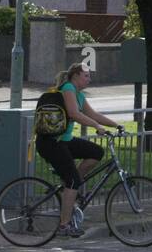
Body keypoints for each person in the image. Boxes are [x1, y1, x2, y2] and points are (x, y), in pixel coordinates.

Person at [35, 63, 124, 238]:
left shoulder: (79, 95)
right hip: (51, 143)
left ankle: (70, 187)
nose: (89, 79)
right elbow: (74, 114)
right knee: (73, 181)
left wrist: (116, 125)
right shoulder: (68, 88)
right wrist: (97, 127)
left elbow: (94, 114)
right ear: (75, 75)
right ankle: (63, 225)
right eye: (86, 76)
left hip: (64, 141)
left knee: (96, 152)